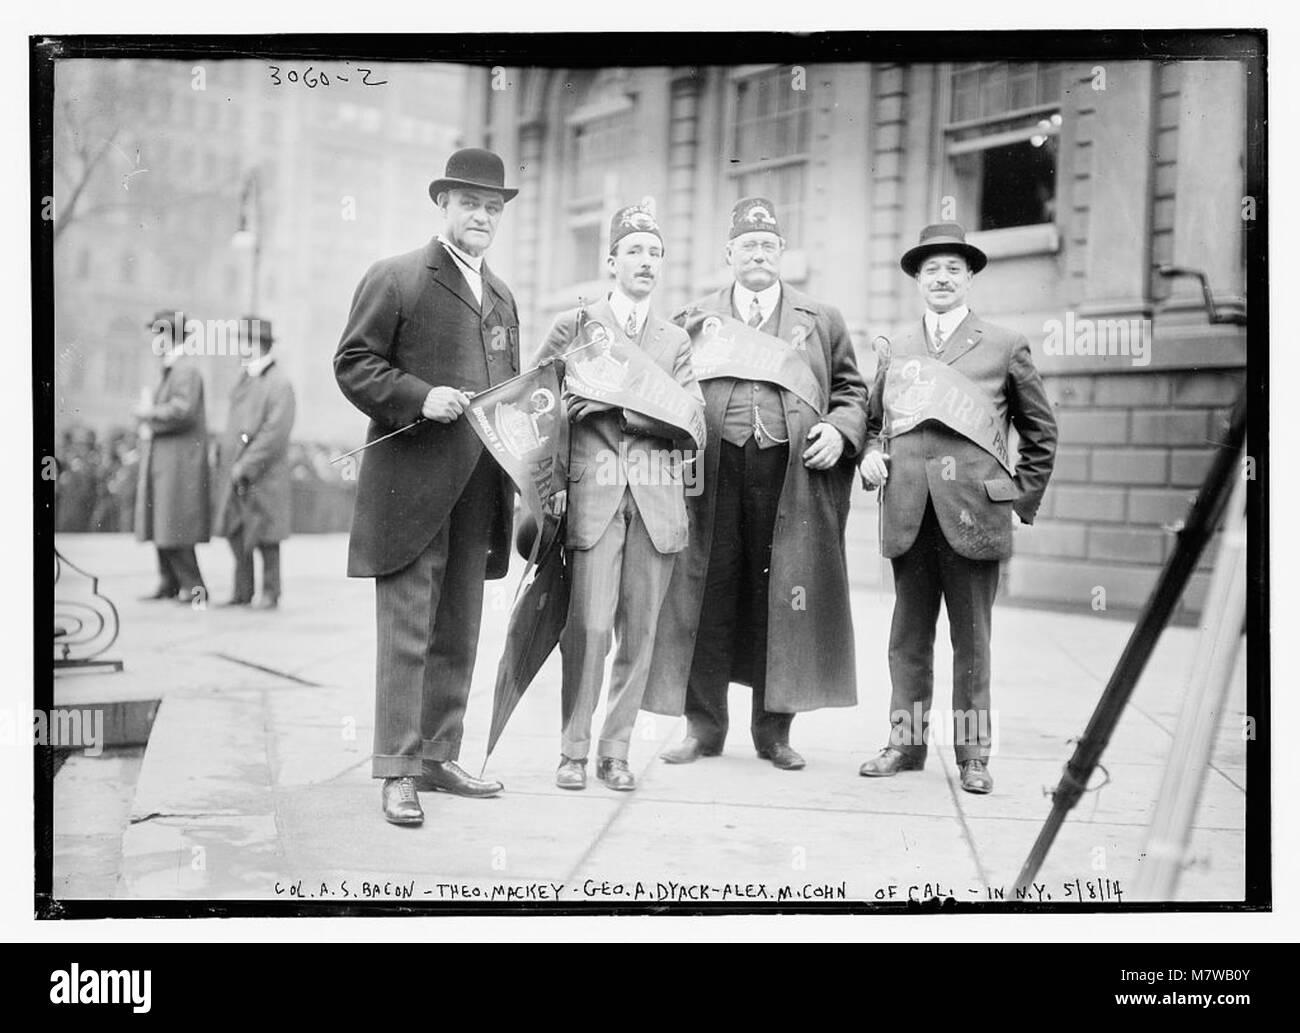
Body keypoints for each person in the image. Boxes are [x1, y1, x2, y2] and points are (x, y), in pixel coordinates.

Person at [646, 198, 868, 771]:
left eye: (769, 245)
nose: (759, 254)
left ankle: (773, 732)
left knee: (784, 596)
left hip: (789, 477)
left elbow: (852, 393)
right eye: (749, 245)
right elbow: (663, 388)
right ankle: (703, 728)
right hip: (712, 477)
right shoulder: (695, 318)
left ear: (782, 254)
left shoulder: (820, 320)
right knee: (706, 593)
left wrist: (841, 433)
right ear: (729, 254)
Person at [334, 148, 521, 826]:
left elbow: (512, 394)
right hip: (408, 486)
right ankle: (397, 770)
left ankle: (438, 756)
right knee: (407, 630)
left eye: (492, 207)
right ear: (442, 204)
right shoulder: (397, 277)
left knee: (458, 627)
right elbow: (353, 363)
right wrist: (420, 396)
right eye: (470, 202)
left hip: (479, 488)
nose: (481, 216)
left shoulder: (502, 297)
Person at [858, 222, 1058, 794]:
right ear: (918, 280)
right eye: (930, 270)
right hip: (908, 512)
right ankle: (905, 743)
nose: (941, 279)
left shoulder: (1003, 343)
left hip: (974, 513)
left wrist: (1019, 495)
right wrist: (871, 454)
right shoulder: (895, 347)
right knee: (907, 640)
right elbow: (876, 422)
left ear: (969, 277)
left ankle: (973, 754)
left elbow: (1040, 430)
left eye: (952, 269)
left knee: (972, 642)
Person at [533, 202, 704, 792]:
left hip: (656, 503)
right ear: (611, 261)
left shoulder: (675, 340)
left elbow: (690, 422)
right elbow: (540, 409)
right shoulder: (575, 326)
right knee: (589, 627)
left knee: (641, 633)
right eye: (634, 251)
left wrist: (613, 403)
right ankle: (573, 750)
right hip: (593, 498)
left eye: (655, 253)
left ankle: (614, 751)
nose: (646, 263)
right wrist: (549, 490)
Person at [214, 317, 296, 609]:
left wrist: (246, 465)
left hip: (264, 473)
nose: (240, 347)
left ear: (258, 344)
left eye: (244, 341)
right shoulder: (246, 378)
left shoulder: (279, 383)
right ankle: (242, 592)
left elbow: (274, 433)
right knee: (238, 532)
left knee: (266, 535)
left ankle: (271, 593)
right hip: (239, 471)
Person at [134, 310, 210, 604]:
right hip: (168, 459)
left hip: (179, 462)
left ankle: (194, 588)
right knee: (164, 523)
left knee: (175, 526)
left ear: (171, 337)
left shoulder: (185, 369)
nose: (155, 340)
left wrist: (147, 413)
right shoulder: (173, 368)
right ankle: (170, 582)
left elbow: (183, 410)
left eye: (159, 334)